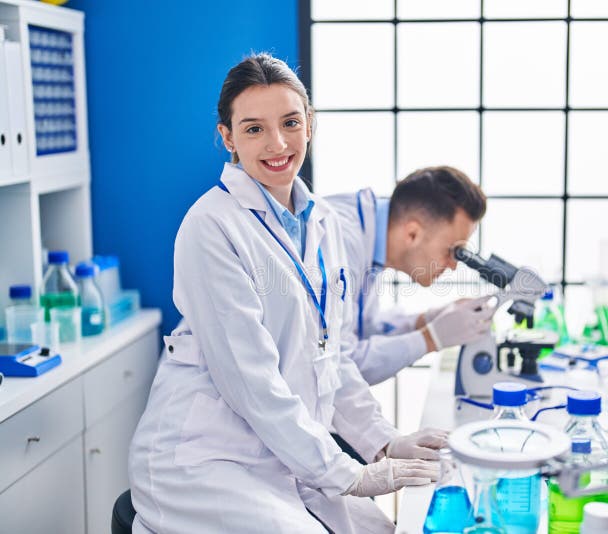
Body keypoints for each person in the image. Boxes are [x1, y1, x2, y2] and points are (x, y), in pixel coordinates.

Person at [128, 53, 444, 534]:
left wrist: (383, 443)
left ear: (310, 125)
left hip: (285, 453)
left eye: (290, 122)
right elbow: (250, 382)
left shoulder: (322, 224)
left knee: (383, 530)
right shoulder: (211, 226)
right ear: (227, 137)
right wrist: (350, 474)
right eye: (253, 129)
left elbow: (331, 359)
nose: (277, 144)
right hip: (206, 459)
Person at [326, 167, 496, 386]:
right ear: (412, 234)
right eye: (452, 251)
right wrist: (431, 338)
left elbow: (361, 329)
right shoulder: (340, 241)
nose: (453, 266)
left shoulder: (372, 234)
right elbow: (338, 367)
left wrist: (426, 320)